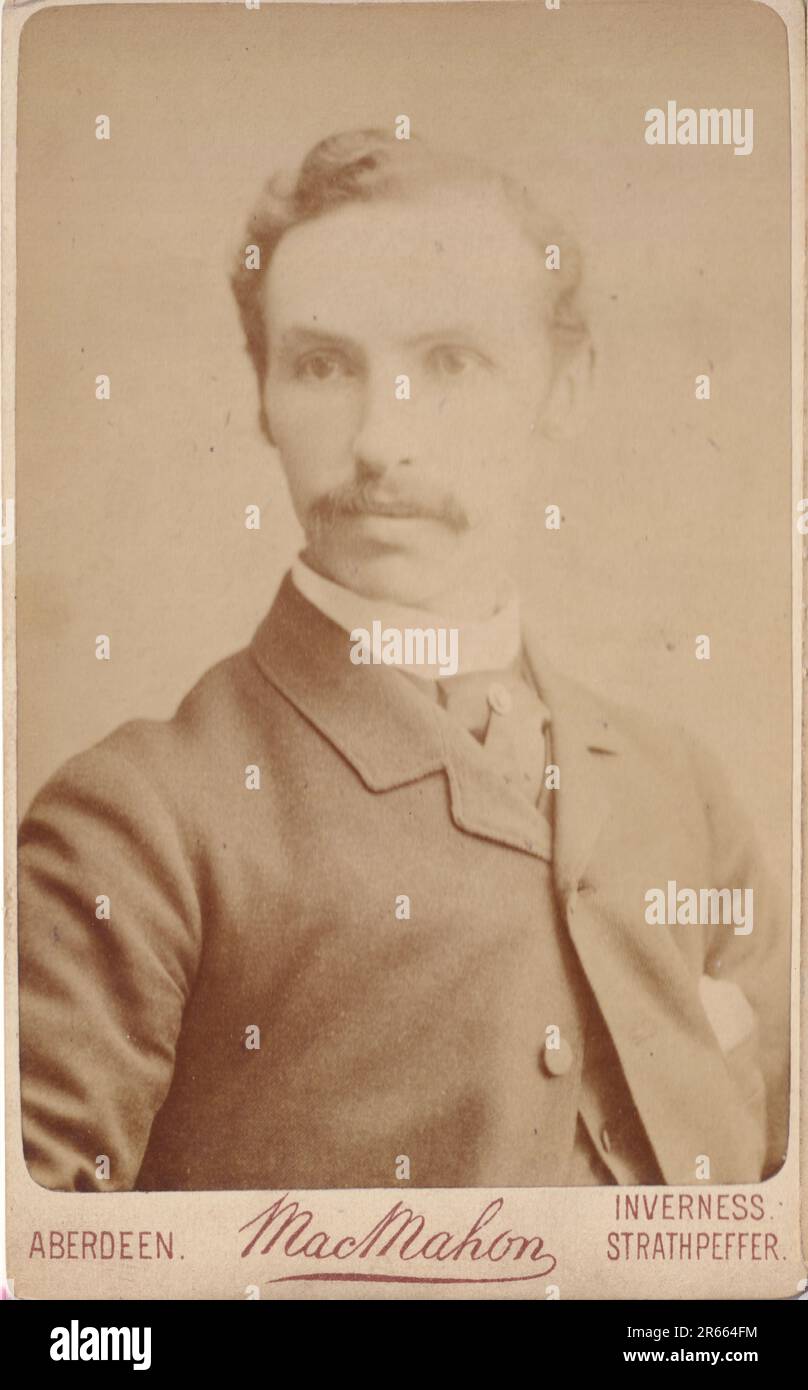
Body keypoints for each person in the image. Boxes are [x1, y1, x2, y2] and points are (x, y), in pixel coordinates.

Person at [18, 130, 789, 1191]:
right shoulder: (138, 824)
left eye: (449, 362)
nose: (382, 439)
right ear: (262, 399)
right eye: (324, 364)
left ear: (564, 390)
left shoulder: (680, 792)